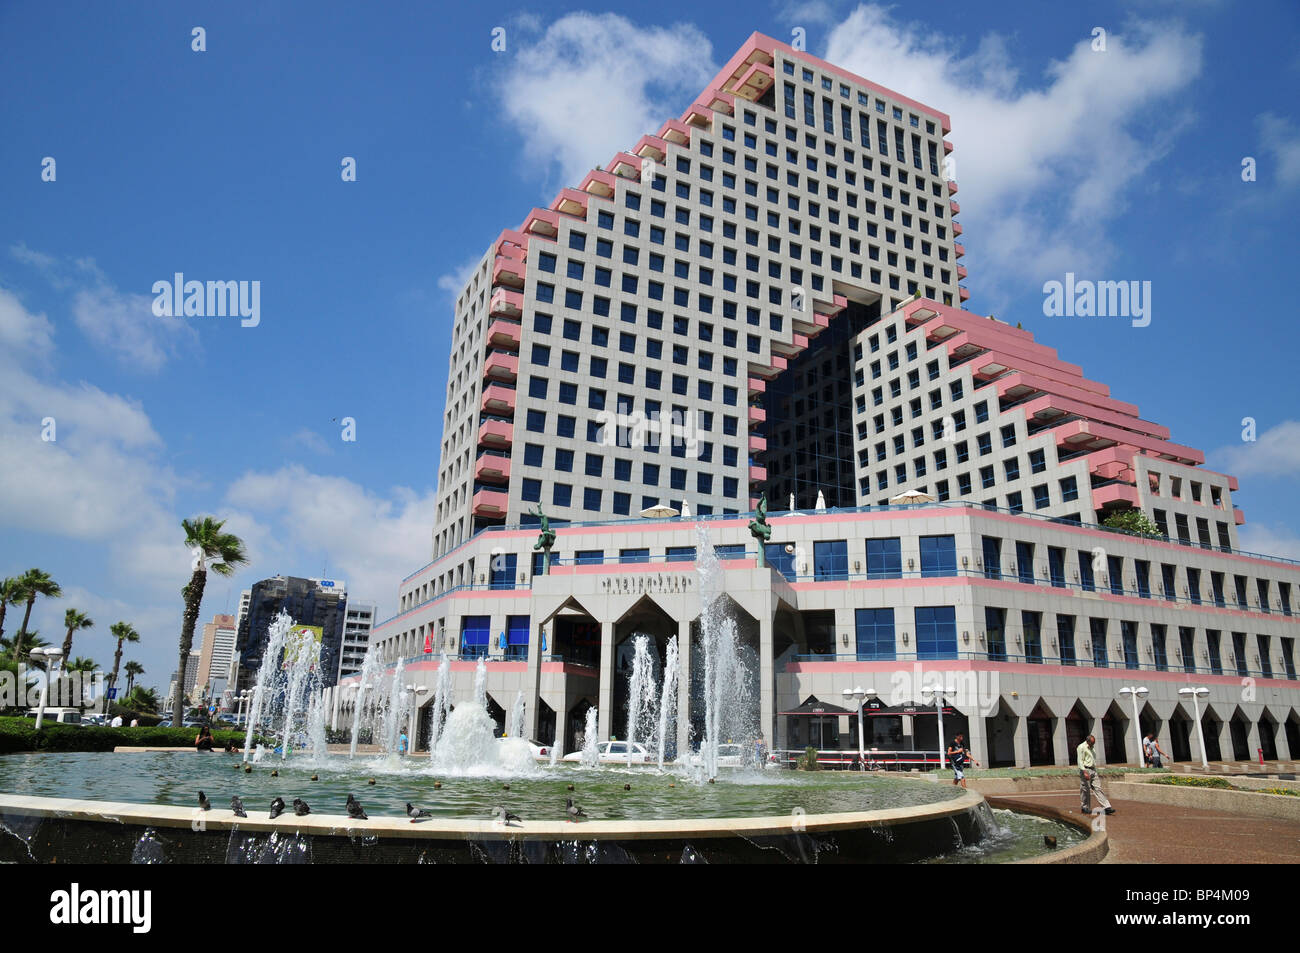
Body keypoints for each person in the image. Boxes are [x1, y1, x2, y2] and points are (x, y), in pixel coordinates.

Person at [1077, 734, 1115, 815]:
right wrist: (1084, 771)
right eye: (1092, 743)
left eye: (1094, 743)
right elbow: (1080, 761)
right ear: (1088, 742)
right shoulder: (1081, 747)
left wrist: (1094, 769)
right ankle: (1085, 807)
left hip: (1093, 769)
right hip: (1086, 769)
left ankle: (1106, 807)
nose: (1093, 744)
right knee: (1085, 790)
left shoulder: (1092, 748)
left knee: (1098, 788)